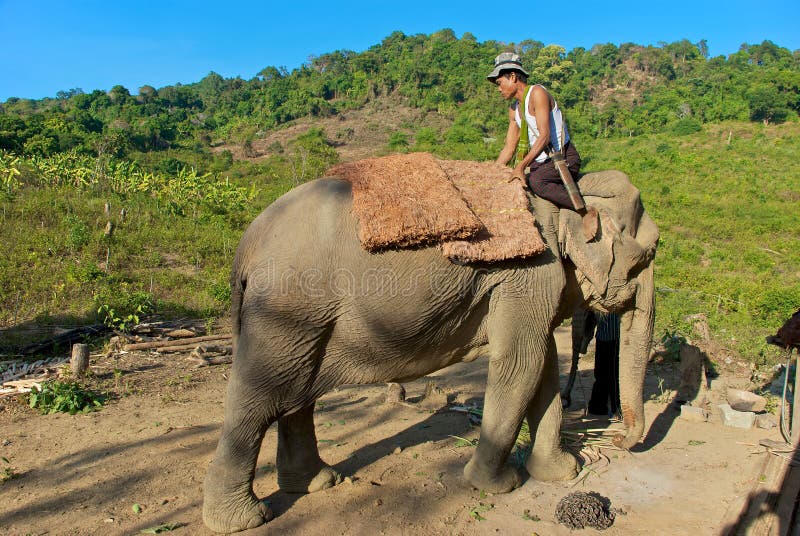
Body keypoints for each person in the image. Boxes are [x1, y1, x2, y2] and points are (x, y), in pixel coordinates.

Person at [488, 52, 597, 236]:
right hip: (540, 162)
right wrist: (492, 174)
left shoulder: (537, 93)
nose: (499, 89)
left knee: (537, 181)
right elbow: (509, 148)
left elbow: (544, 135)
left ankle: (584, 210)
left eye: (499, 83)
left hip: (562, 157)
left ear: (513, 77)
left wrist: (521, 166)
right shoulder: (514, 110)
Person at [587, 313, 621, 418]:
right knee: (608, 375)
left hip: (607, 337)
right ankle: (607, 407)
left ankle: (601, 407)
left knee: (606, 374)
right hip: (608, 338)